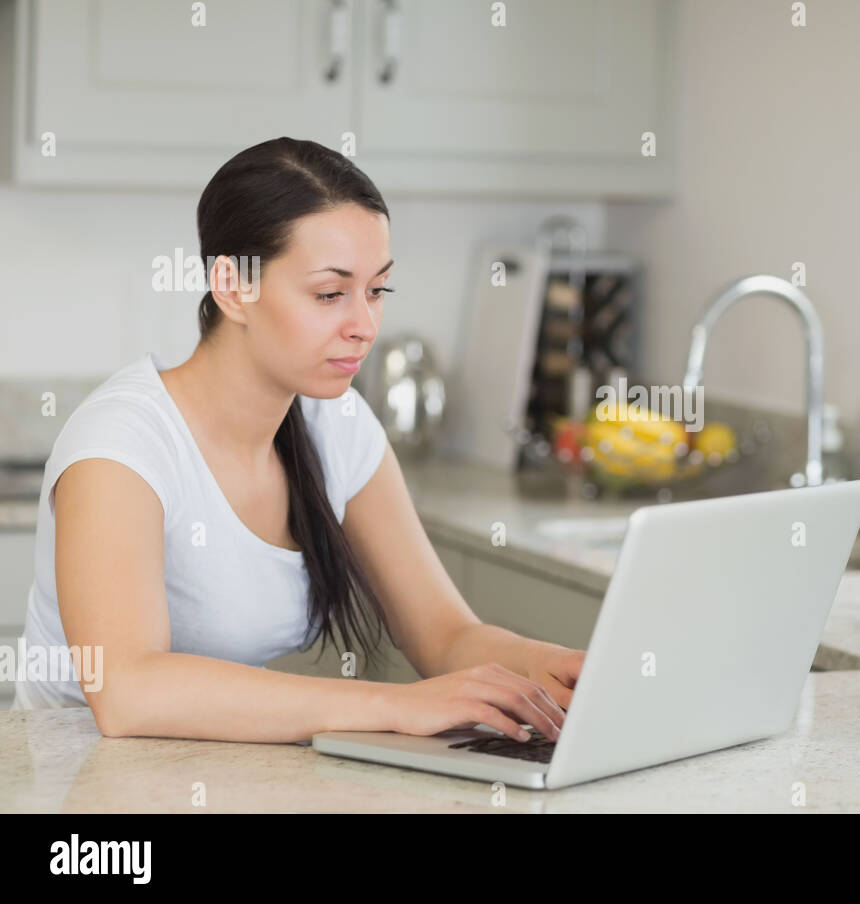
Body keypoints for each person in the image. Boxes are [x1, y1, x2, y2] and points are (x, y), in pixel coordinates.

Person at [11, 137, 579, 745]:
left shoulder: (339, 425)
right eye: (330, 294)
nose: (364, 326)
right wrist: (397, 706)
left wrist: (545, 666)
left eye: (376, 290)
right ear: (232, 287)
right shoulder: (122, 446)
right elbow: (130, 693)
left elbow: (443, 635)